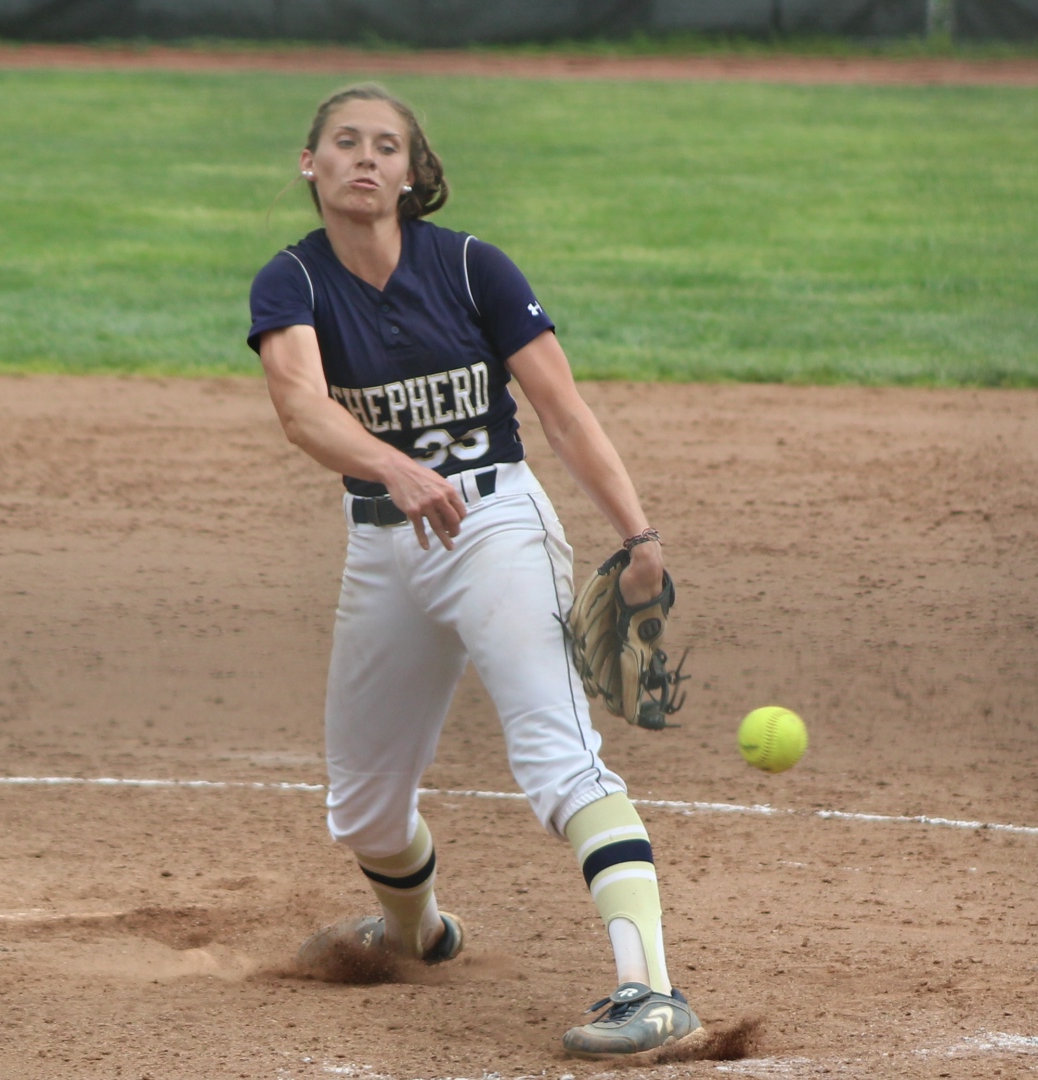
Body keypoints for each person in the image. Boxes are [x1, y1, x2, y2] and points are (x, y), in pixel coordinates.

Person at [247, 84, 700, 1061]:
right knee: (364, 807)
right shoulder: (293, 282)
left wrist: (640, 534)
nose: (365, 159)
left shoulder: (470, 267)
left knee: (558, 757)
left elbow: (563, 410)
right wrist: (394, 465)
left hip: (496, 526)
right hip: (383, 540)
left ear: (411, 172)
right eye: (344, 143)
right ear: (310, 165)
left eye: (386, 146)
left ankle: (651, 990)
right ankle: (420, 935)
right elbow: (300, 406)